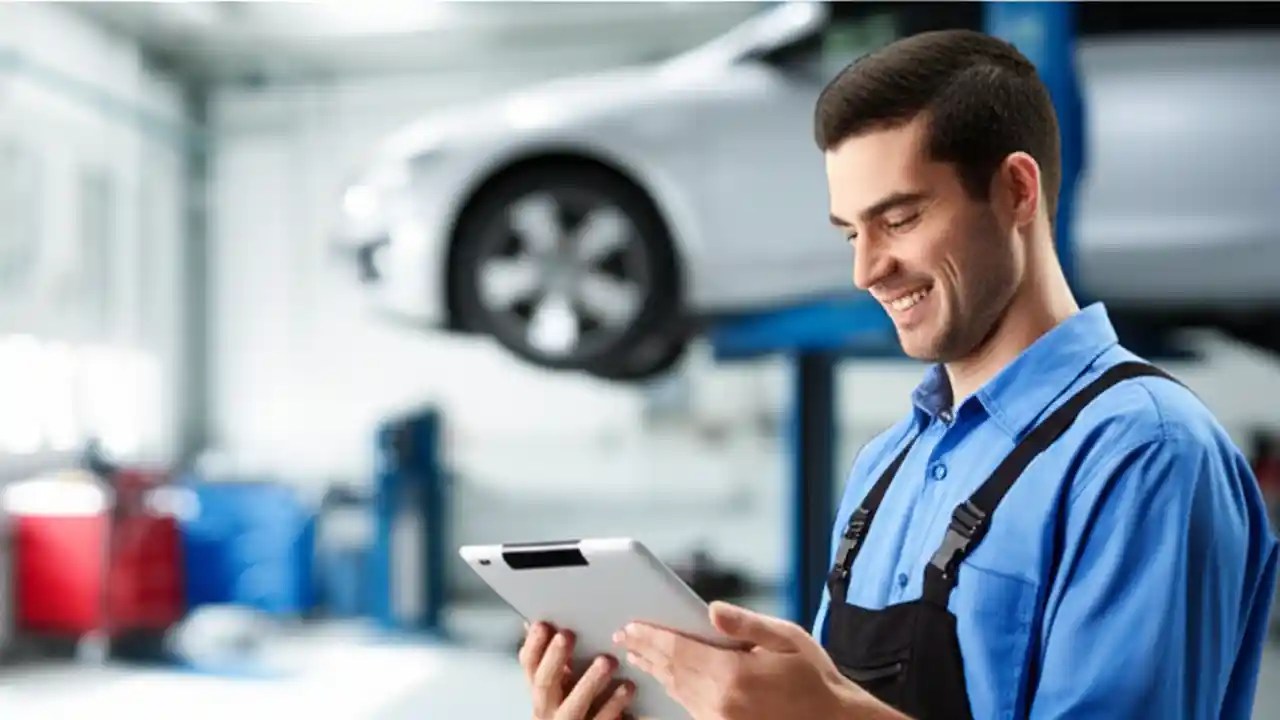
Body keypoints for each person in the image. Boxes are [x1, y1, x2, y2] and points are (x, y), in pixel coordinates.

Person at [518, 28, 1280, 720]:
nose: (866, 268)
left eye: (901, 219)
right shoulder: (887, 467)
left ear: (1016, 190)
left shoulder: (1141, 453)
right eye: (851, 230)